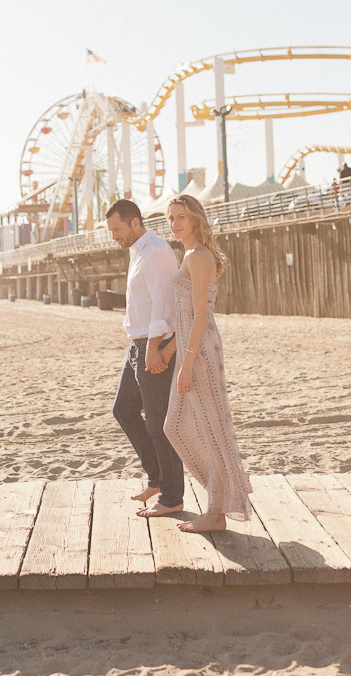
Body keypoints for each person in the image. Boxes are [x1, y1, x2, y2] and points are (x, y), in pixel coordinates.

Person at [162, 194, 252, 532]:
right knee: (176, 426)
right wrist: (173, 350)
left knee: (213, 427)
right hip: (189, 349)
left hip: (199, 352)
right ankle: (229, 485)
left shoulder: (198, 256)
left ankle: (218, 509)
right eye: (171, 218)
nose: (174, 224)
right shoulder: (189, 254)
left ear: (196, 220)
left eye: (181, 217)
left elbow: (201, 315)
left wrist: (185, 362)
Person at [106, 198, 185, 517]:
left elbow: (163, 306)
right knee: (123, 410)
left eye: (117, 229)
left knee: (158, 424)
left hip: (153, 342)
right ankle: (156, 478)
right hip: (137, 344)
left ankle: (171, 497)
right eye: (111, 230)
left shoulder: (155, 252)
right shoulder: (137, 250)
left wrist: (155, 348)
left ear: (135, 222)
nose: (113, 236)